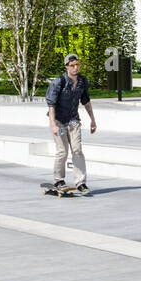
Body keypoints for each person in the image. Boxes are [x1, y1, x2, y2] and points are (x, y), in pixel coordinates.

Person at [45, 53, 96, 194]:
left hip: (73, 120)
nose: (76, 67)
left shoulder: (82, 81)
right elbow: (51, 104)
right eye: (72, 65)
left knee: (77, 150)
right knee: (62, 151)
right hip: (59, 121)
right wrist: (53, 124)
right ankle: (59, 180)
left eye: (77, 64)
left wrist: (93, 120)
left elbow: (86, 101)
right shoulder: (59, 82)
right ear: (66, 66)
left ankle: (81, 183)